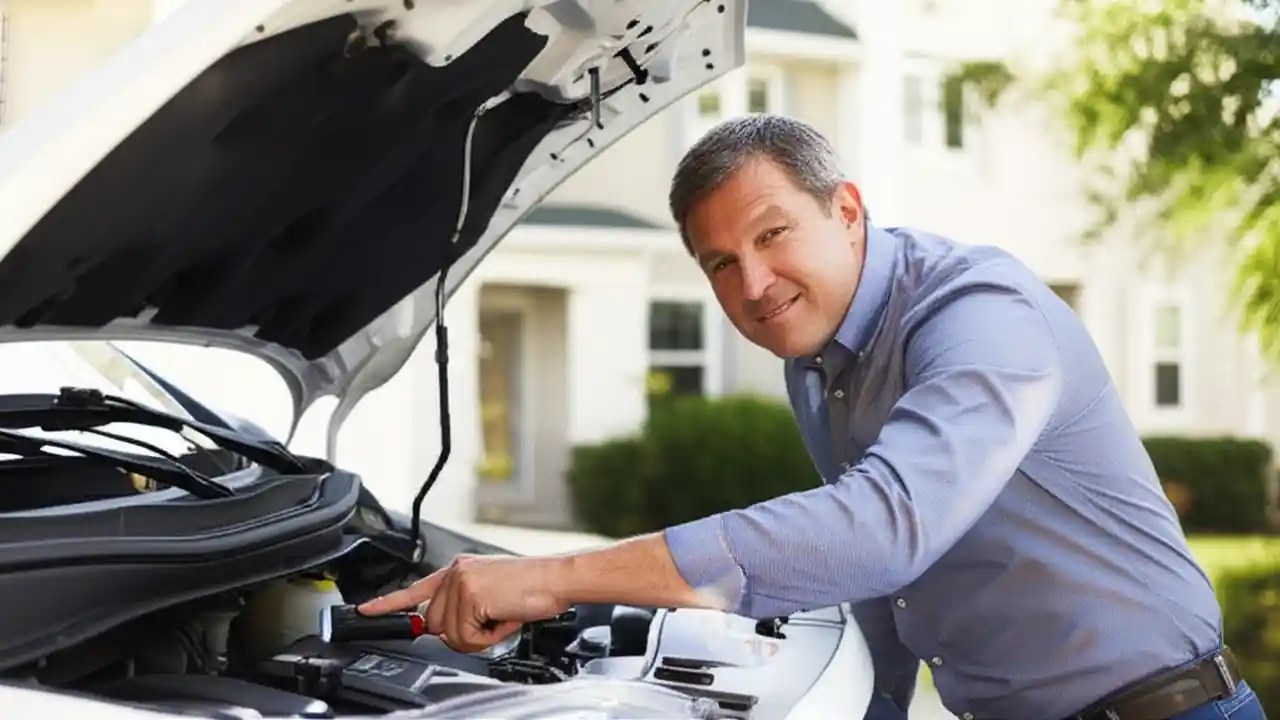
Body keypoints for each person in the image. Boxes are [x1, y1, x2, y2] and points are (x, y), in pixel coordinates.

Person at [359, 116, 1267, 720]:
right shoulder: (818, 358)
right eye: (718, 264)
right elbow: (884, 590)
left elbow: (882, 530)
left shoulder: (982, 313)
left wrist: (556, 578)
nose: (751, 286)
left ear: (846, 209)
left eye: (771, 235)